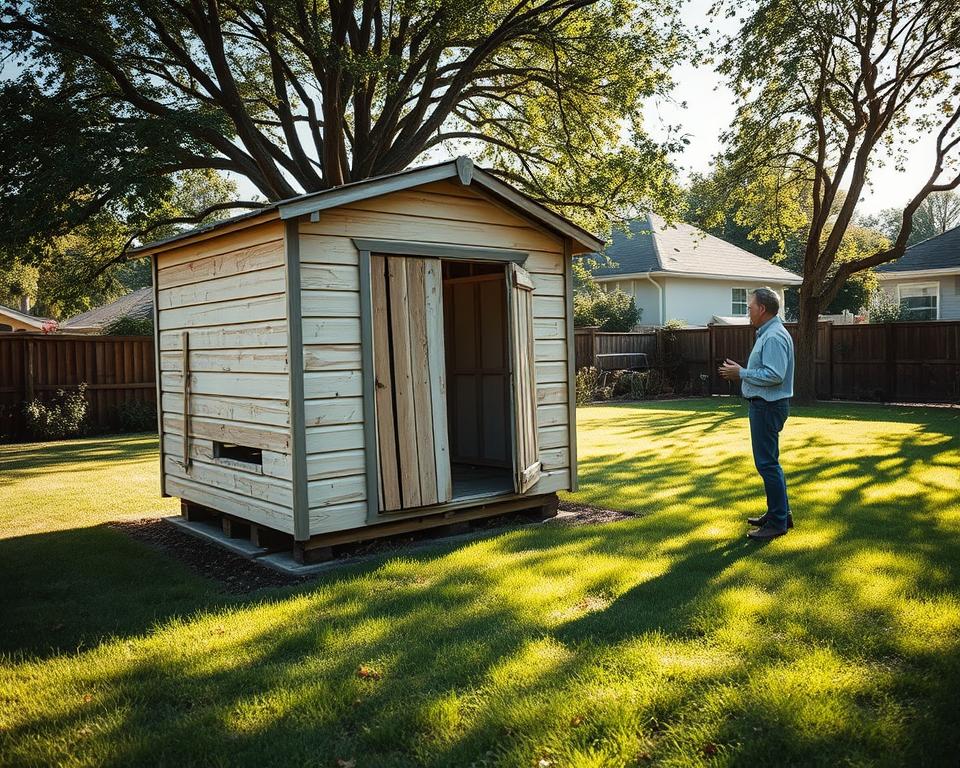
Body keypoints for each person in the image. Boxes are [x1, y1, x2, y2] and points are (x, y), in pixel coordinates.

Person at [717, 288, 795, 540]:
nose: (747, 311)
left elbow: (775, 375)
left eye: (749, 307)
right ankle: (779, 513)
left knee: (767, 464)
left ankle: (777, 522)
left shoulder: (773, 337)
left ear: (762, 309)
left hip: (767, 406)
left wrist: (741, 373)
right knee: (771, 463)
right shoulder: (769, 333)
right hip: (767, 406)